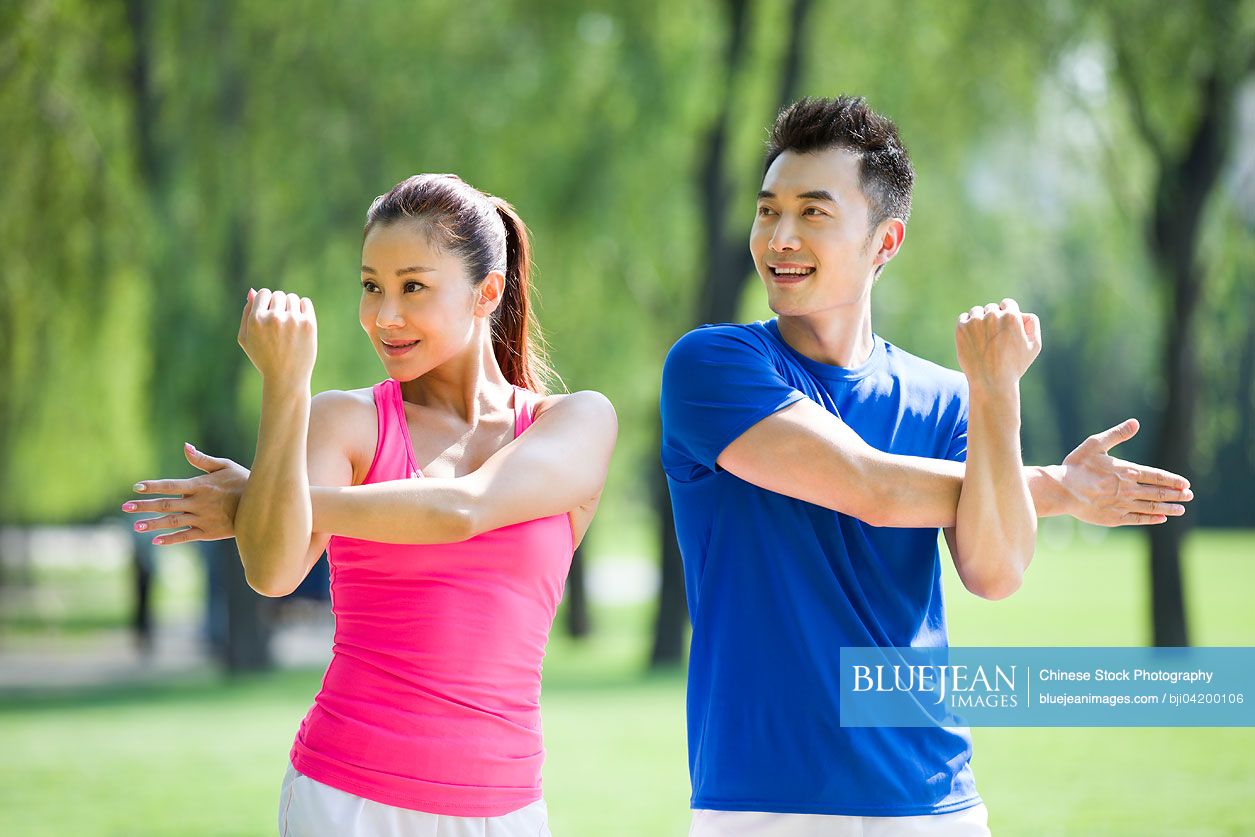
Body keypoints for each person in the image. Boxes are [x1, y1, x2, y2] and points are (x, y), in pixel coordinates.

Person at [659, 96, 1194, 836]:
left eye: (813, 213)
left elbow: (996, 569)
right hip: (762, 801)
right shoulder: (713, 365)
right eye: (767, 210)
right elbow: (871, 488)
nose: (779, 237)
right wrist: (1053, 488)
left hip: (931, 801)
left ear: (885, 242)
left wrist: (993, 392)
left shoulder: (945, 400)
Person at [122, 173, 617, 836]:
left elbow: (461, 510)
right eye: (370, 286)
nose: (384, 315)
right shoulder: (345, 422)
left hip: (503, 808)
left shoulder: (576, 422)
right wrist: (286, 388)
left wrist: (263, 495)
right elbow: (271, 570)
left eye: (412, 286)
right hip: (343, 798)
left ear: (486, 292)